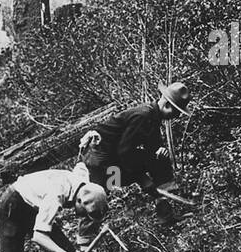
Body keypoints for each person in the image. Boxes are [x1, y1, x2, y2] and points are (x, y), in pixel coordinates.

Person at [78, 82, 192, 220]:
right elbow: (124, 151)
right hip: (100, 161)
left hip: (116, 157)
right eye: (177, 112)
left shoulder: (153, 116)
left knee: (160, 159)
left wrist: (159, 150)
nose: (177, 116)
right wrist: (142, 177)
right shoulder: (143, 116)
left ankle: (165, 214)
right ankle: (84, 240)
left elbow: (151, 145)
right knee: (94, 197)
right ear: (167, 106)